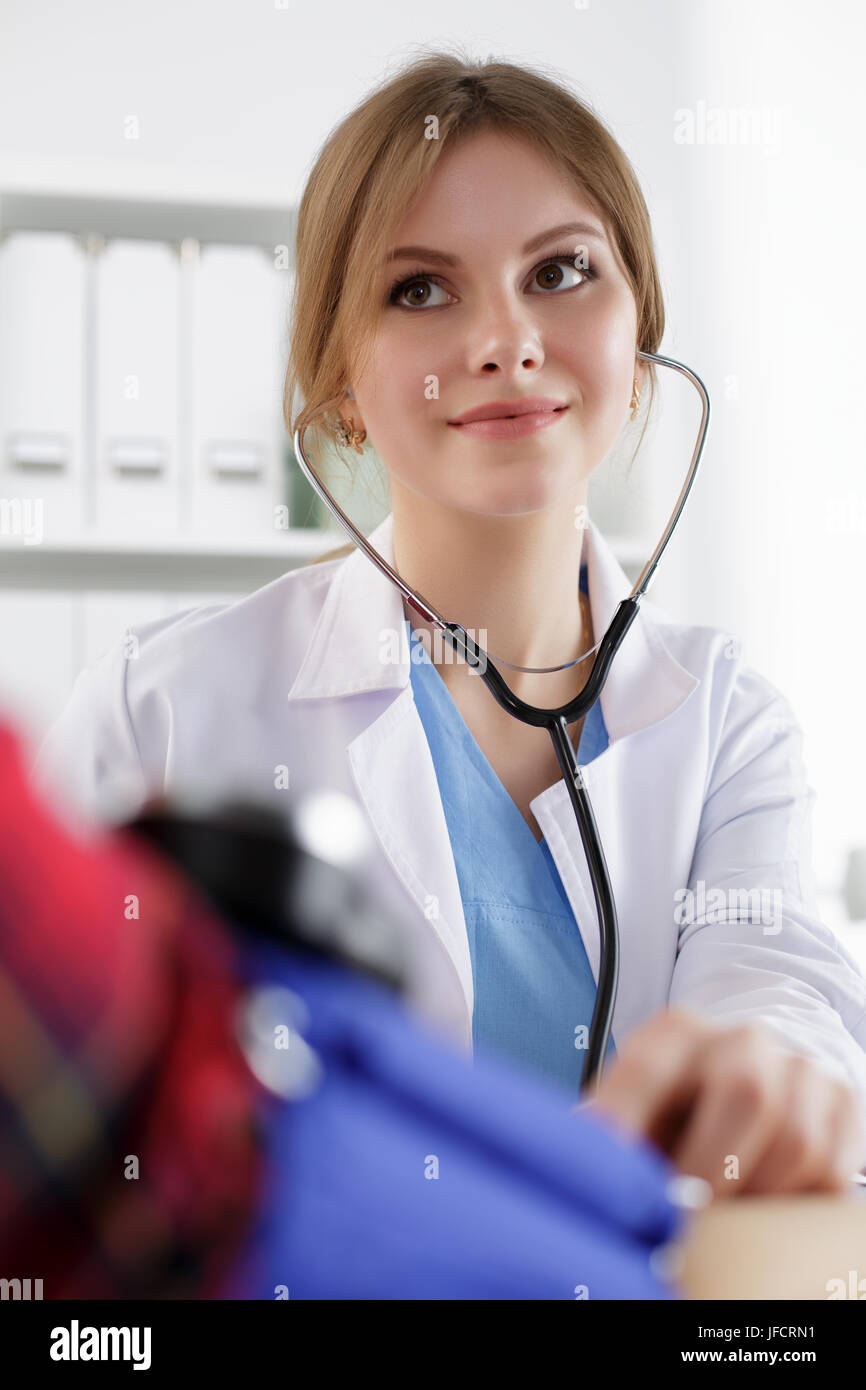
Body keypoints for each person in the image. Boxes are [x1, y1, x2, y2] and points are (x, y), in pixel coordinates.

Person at [32, 50, 866, 1195]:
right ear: (338, 390)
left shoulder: (723, 720)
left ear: (638, 342)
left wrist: (765, 1081)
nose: (506, 340)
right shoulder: (163, 706)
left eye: (561, 271)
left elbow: (779, 987)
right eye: (419, 288)